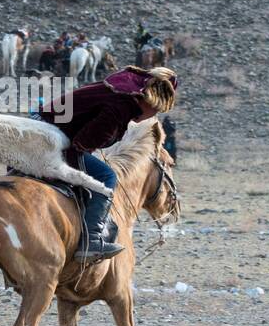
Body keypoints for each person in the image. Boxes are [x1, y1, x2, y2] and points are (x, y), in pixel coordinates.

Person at [38, 66, 178, 261]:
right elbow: (81, 144)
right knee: (107, 176)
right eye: (156, 110)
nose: (152, 116)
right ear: (150, 101)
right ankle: (91, 240)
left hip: (39, 130)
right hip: (49, 139)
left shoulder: (122, 91)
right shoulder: (121, 107)